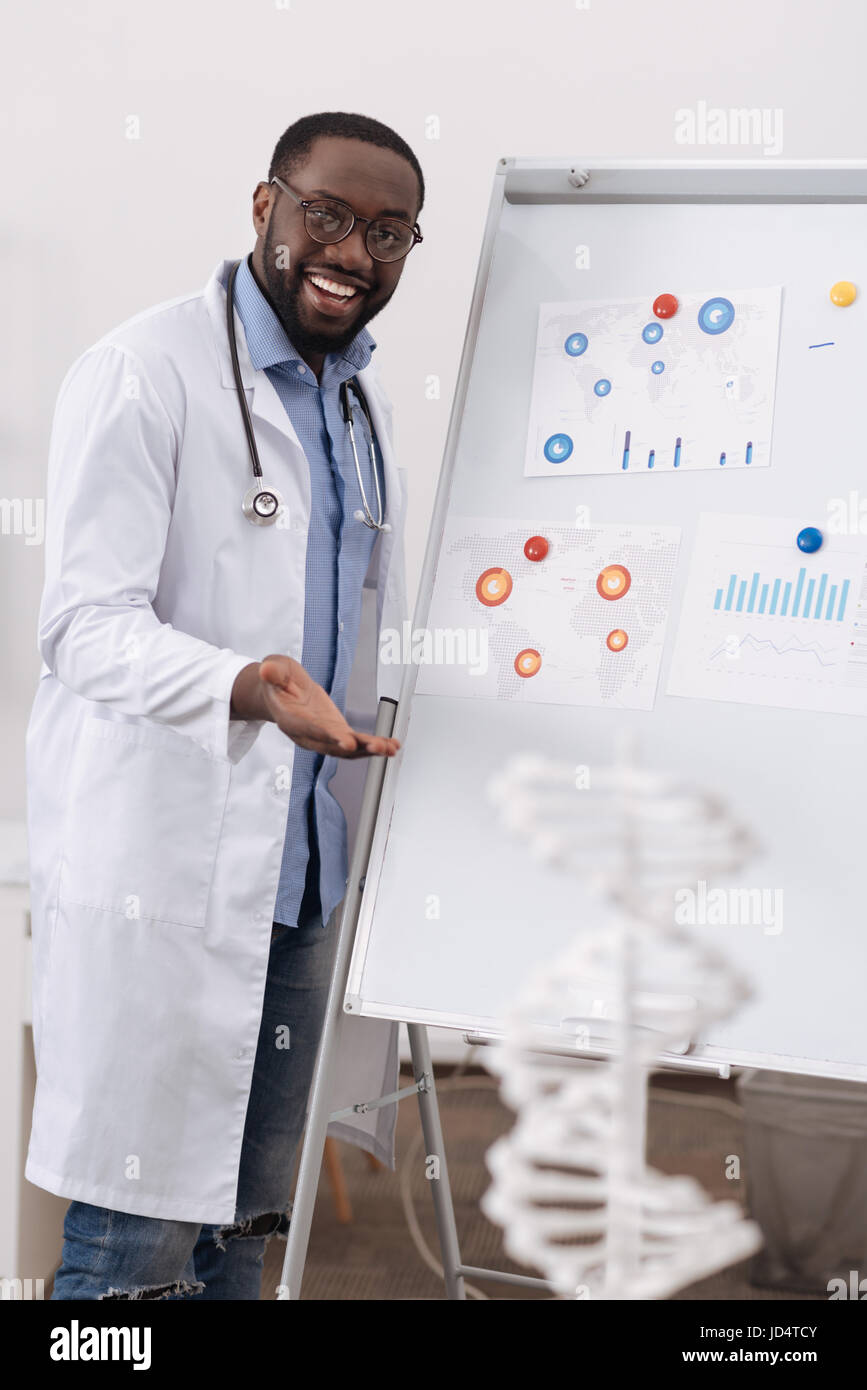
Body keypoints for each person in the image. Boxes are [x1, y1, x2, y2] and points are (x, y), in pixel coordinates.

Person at [25, 110, 424, 1299]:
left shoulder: (362, 411)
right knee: (139, 1240)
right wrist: (241, 686)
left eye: (389, 232)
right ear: (267, 207)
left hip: (300, 878)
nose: (355, 251)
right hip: (170, 868)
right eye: (330, 216)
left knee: (251, 1225)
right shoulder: (143, 373)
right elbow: (80, 627)